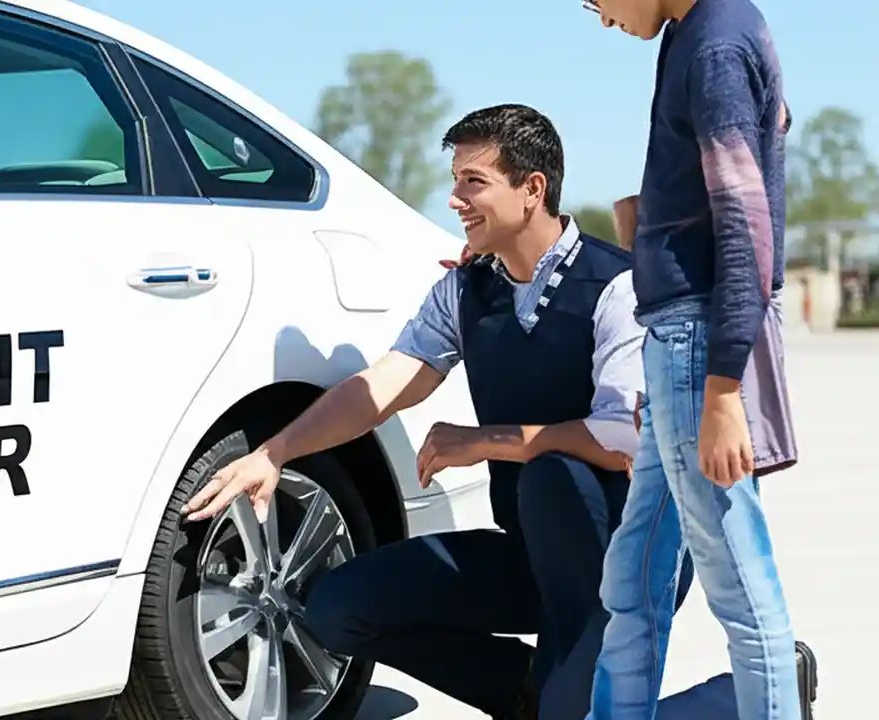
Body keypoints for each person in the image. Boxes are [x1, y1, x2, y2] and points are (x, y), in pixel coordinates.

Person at [183, 102, 692, 719]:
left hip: (622, 560)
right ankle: (533, 691)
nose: (454, 199)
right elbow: (384, 384)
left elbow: (620, 438)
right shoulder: (464, 289)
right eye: (455, 181)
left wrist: (482, 441)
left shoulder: (617, 286)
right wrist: (275, 452)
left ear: (533, 190)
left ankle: (722, 702)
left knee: (556, 475)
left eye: (473, 182)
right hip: (530, 556)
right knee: (340, 608)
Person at [580, 1, 818, 718]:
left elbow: (748, 227)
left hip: (697, 345)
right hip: (673, 340)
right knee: (633, 576)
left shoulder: (714, 45)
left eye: (596, 0)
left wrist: (720, 395)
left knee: (740, 584)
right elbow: (758, 145)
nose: (602, 19)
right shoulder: (698, 31)